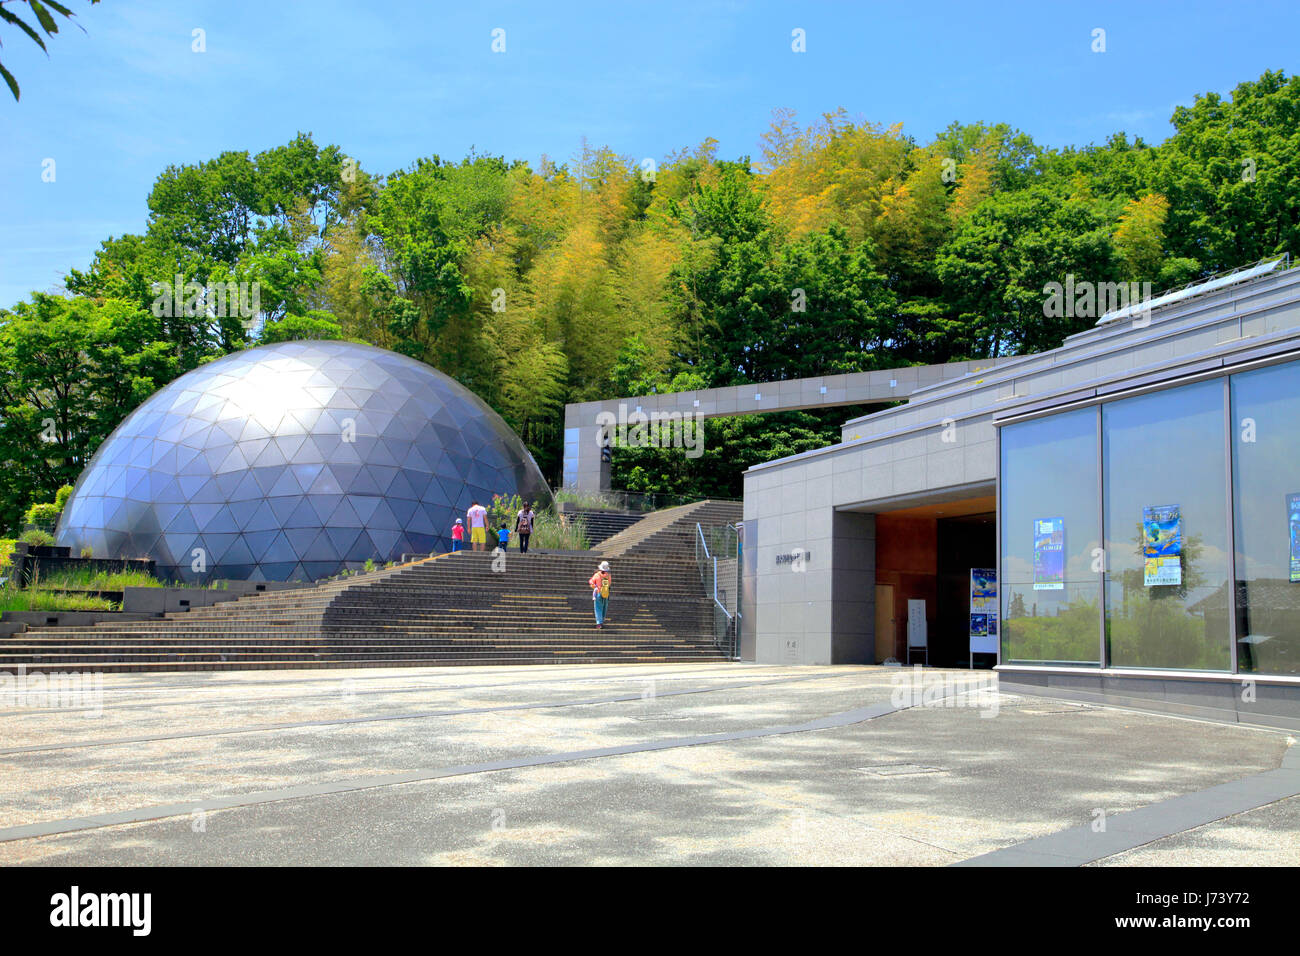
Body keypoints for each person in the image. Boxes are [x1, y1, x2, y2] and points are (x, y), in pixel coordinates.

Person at [588, 560, 612, 629]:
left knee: (598, 608)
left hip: (598, 593)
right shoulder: (609, 576)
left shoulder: (597, 575)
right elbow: (609, 584)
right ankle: (602, 621)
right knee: (604, 608)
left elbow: (591, 581)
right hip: (606, 594)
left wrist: (594, 586)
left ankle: (599, 623)